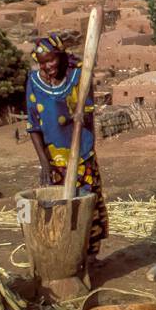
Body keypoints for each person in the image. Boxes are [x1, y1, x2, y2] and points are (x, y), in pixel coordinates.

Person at [26, 32, 107, 257]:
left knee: (84, 210)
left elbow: (87, 110)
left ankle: (86, 258)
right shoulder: (33, 82)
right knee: (57, 211)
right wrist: (45, 164)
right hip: (53, 161)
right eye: (44, 62)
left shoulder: (78, 76)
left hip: (81, 156)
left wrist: (81, 114)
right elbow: (33, 126)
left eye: (52, 59)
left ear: (61, 56)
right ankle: (62, 256)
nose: (49, 65)